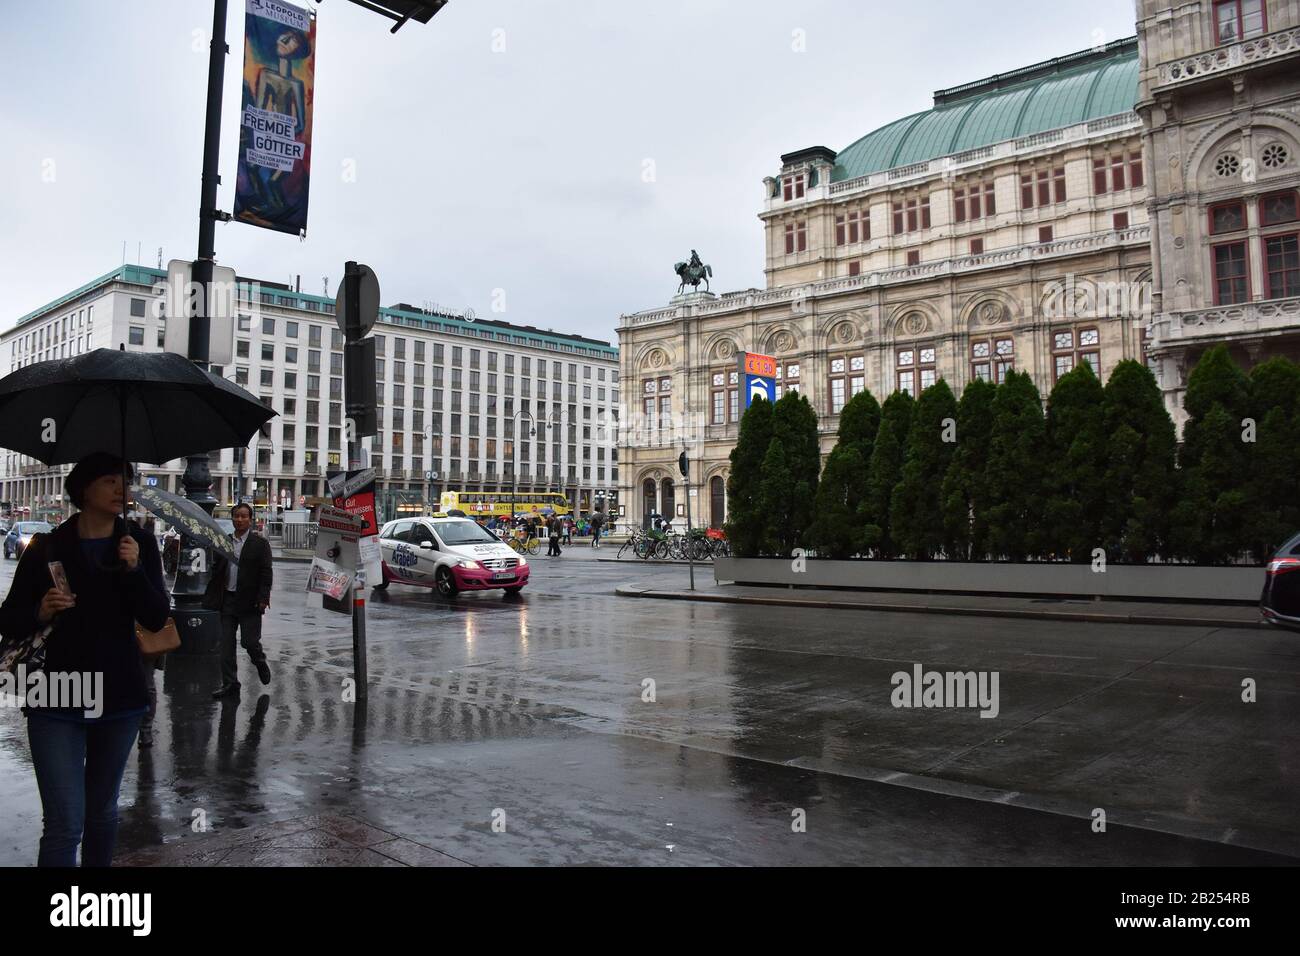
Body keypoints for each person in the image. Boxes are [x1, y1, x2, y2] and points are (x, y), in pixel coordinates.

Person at [0, 453, 170, 866]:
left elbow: (155, 617)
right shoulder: (47, 547)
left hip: (119, 697)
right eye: (110, 481)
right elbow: (9, 618)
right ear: (83, 489)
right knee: (64, 822)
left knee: (101, 813)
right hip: (56, 696)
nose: (122, 489)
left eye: (126, 481)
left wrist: (134, 570)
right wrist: (40, 611)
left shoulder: (139, 544)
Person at [203, 502, 273, 699]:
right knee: (226, 646)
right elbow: (217, 568)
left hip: (250, 602)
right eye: (236, 516)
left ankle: (259, 661)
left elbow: (266, 573)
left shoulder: (260, 544)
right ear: (232, 518)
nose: (240, 519)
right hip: (227, 600)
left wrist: (263, 597)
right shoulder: (224, 541)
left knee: (249, 642)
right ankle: (230, 683)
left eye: (244, 516)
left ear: (250, 520)